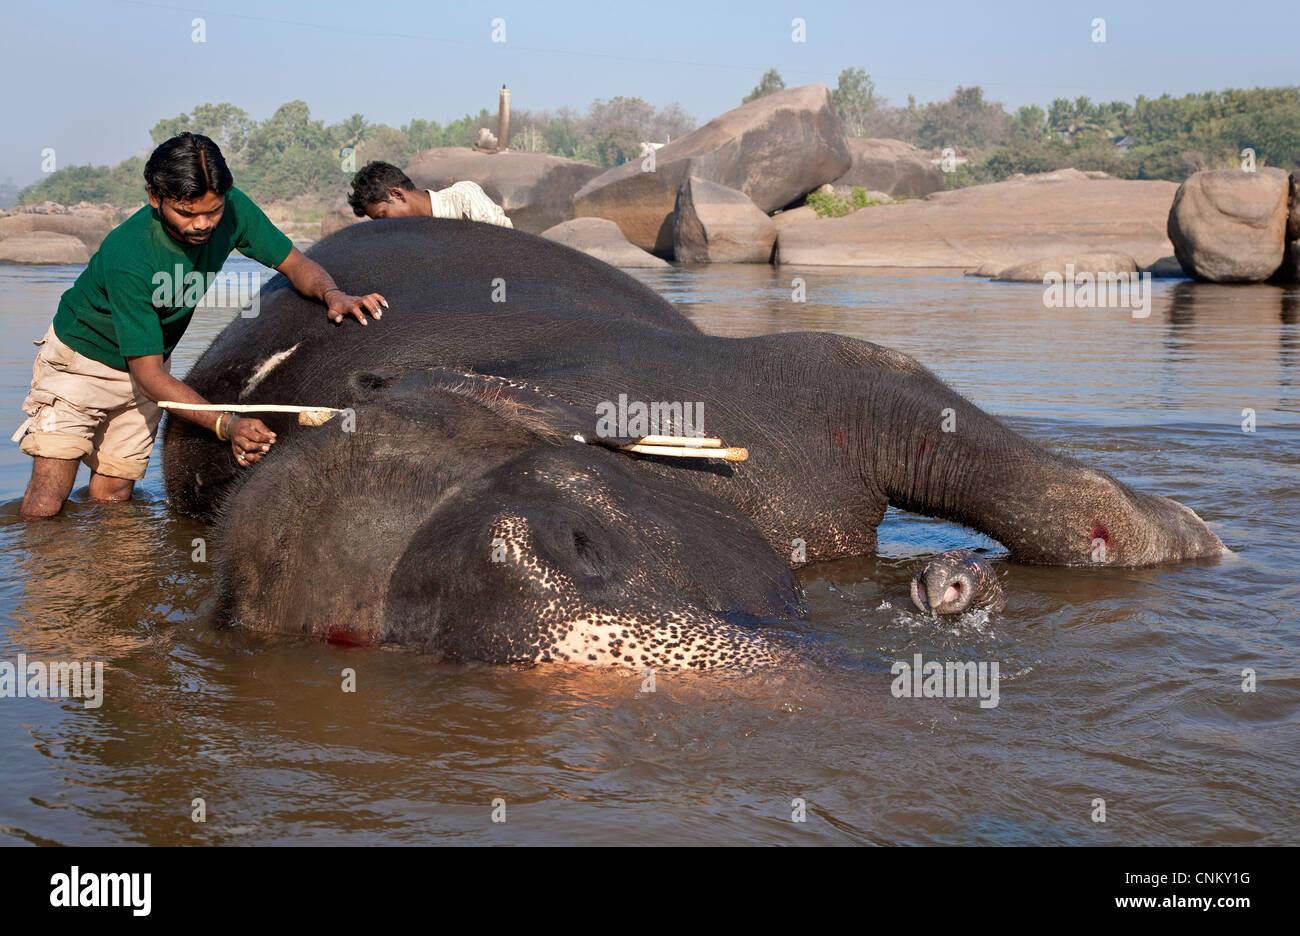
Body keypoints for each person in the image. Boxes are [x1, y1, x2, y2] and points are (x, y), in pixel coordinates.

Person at [13, 132, 387, 520]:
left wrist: (332, 294)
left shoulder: (235, 211)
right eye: (187, 213)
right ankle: (46, 576)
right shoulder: (129, 253)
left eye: (213, 211)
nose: (203, 225)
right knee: (46, 502)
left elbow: (293, 263)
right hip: (81, 365)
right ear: (154, 197)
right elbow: (148, 375)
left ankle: (111, 577)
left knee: (113, 495)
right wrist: (226, 425)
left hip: (150, 364)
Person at [345, 161, 513, 227]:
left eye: (383, 216)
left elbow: (506, 243)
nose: (384, 225)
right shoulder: (405, 238)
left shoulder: (464, 198)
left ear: (397, 194)